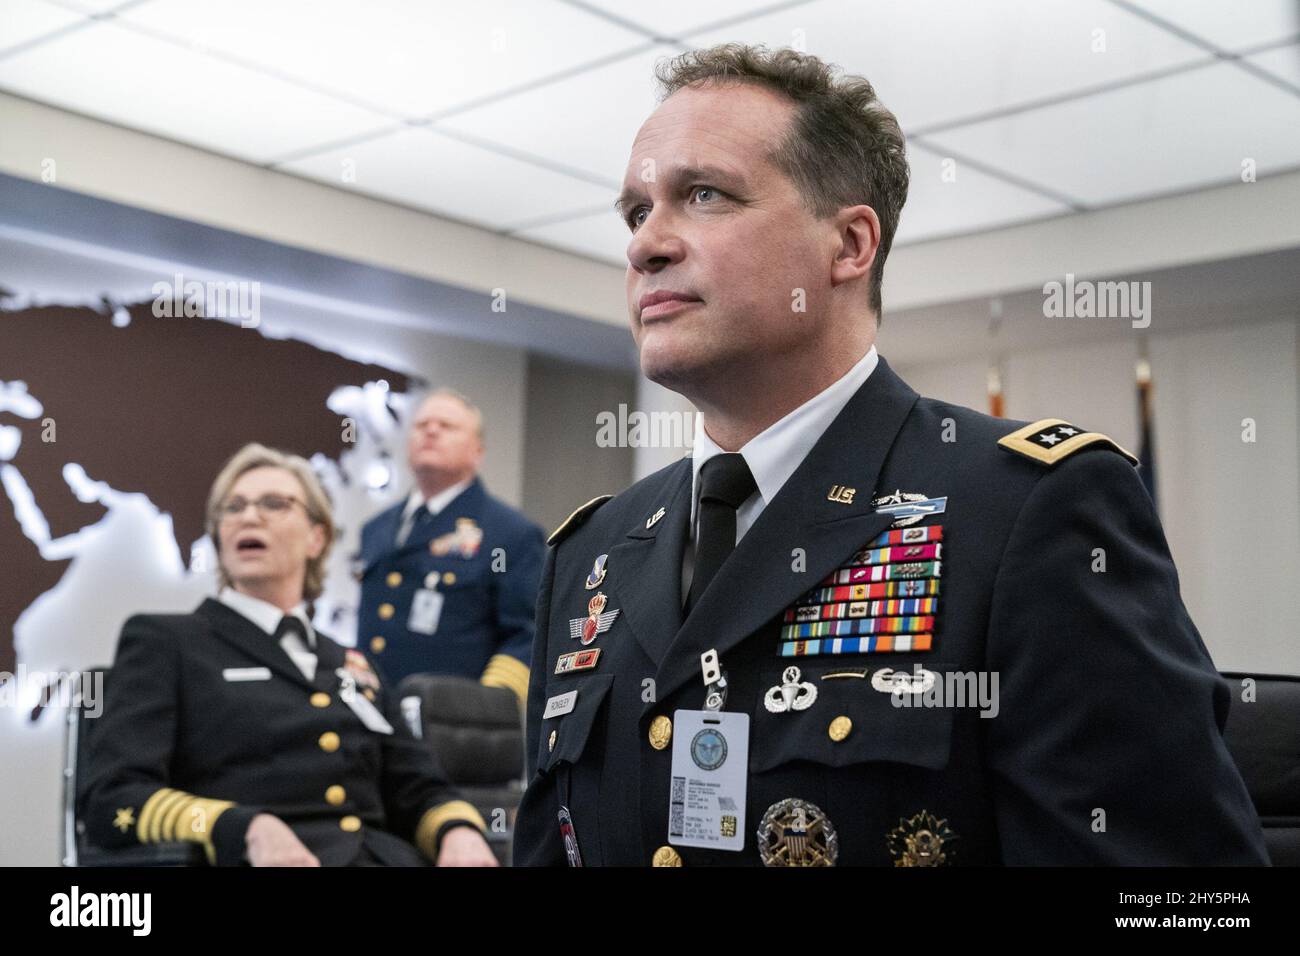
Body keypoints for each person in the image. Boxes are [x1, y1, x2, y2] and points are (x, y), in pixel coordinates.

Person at [514, 44, 1269, 867]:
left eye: (703, 195)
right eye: (635, 212)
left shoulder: (1026, 509)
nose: (645, 246)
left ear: (848, 245)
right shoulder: (589, 552)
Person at [84, 443, 498, 866]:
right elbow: (112, 801)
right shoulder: (167, 641)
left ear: (316, 538)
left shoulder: (351, 661)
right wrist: (239, 827)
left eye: (274, 504)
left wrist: (457, 831)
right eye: (233, 507)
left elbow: (418, 784)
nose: (249, 516)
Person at [357, 389, 544, 705]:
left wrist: (489, 705)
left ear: (477, 451)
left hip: (449, 724)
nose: (431, 431)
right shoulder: (376, 528)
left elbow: (527, 635)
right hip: (372, 712)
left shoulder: (511, 534)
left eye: (447, 426)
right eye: (421, 425)